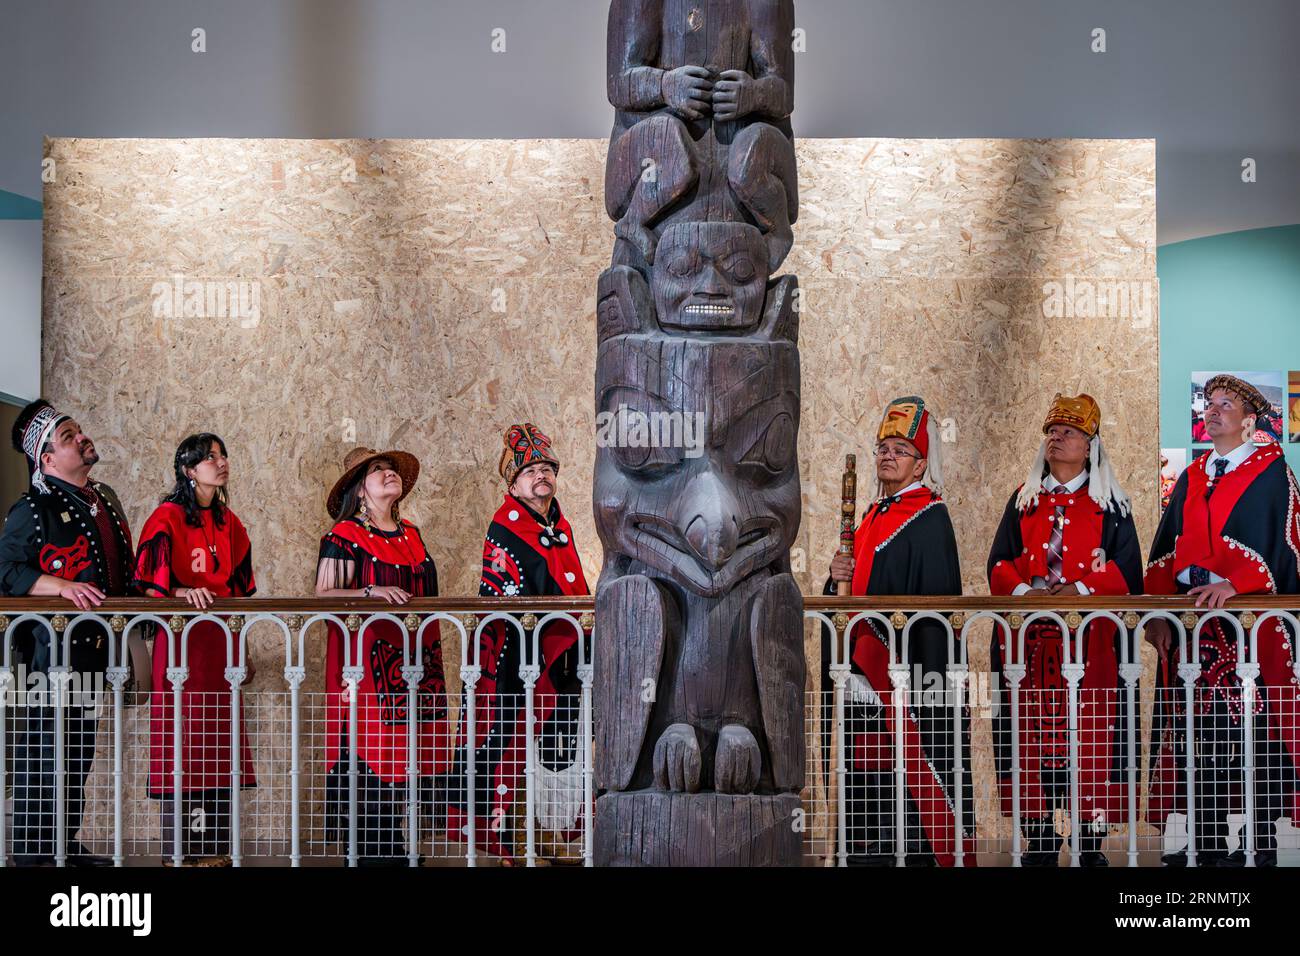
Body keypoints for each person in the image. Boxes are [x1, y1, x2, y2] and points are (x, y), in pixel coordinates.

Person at [1144, 374, 1300, 867]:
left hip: (1252, 625)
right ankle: (1206, 839)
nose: (1212, 411)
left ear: (1250, 419)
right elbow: (1169, 544)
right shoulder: (1192, 475)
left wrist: (1239, 586)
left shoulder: (1272, 470)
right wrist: (1161, 609)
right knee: (1199, 732)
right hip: (1195, 624)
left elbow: (1284, 543)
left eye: (1225, 404)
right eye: (1209, 404)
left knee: (1259, 732)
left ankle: (1259, 841)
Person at [987, 393, 1142, 866]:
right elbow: (997, 563)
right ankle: (1037, 836)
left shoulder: (1111, 504)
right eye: (1052, 432)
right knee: (1029, 739)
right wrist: (1023, 595)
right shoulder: (1024, 500)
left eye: (1068, 432)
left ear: (1090, 444)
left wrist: (1081, 591)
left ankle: (1090, 841)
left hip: (1091, 650)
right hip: (1031, 653)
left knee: (1092, 737)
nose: (1057, 438)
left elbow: (1128, 570)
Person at [823, 396, 973, 866]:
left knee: (907, 770)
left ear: (921, 464)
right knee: (866, 770)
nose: (888, 455)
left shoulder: (930, 517)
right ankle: (866, 851)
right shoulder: (869, 515)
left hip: (906, 678)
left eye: (900, 449)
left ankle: (912, 852)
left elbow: (931, 613)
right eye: (883, 447)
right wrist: (834, 575)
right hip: (862, 678)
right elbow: (847, 595)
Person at [447, 423, 590, 864]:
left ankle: (550, 835)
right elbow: (506, 594)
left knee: (555, 745)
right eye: (530, 470)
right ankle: (511, 840)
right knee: (512, 744)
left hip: (561, 656)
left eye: (547, 468)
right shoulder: (506, 523)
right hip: (517, 654)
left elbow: (572, 585)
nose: (541, 475)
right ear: (513, 481)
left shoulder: (559, 523)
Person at [0, 399, 134, 866]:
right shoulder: (33, 508)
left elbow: (123, 573)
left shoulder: (104, 500)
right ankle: (34, 854)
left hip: (95, 652)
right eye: (67, 436)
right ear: (48, 460)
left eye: (78, 429)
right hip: (48, 656)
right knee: (44, 751)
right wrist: (59, 585)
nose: (81, 437)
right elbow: (4, 568)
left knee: (76, 752)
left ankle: (61, 844)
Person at [315, 446, 450, 866]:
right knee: (371, 751)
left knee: (414, 751)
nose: (389, 474)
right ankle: (375, 854)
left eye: (391, 469)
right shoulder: (343, 537)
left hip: (418, 663)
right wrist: (368, 592)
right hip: (368, 667)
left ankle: (403, 850)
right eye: (378, 470)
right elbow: (322, 598)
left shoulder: (412, 533)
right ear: (359, 490)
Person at [134, 433, 256, 866]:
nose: (220, 463)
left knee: (220, 743)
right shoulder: (166, 518)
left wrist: (244, 647)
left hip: (222, 643)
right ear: (188, 469)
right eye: (209, 458)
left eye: (223, 455)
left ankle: (216, 851)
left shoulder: (230, 521)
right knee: (182, 741)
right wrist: (182, 590)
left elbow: (240, 593)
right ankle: (179, 852)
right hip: (182, 645)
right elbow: (148, 586)